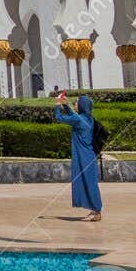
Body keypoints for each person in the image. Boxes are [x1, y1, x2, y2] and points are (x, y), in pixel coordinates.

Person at [55, 92, 104, 221]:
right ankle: (94, 210)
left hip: (84, 156)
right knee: (89, 182)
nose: (75, 103)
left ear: (82, 105)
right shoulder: (88, 118)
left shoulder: (79, 120)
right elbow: (74, 116)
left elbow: (58, 117)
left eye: (77, 102)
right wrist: (65, 105)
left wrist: (58, 104)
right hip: (89, 155)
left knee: (90, 183)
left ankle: (97, 211)